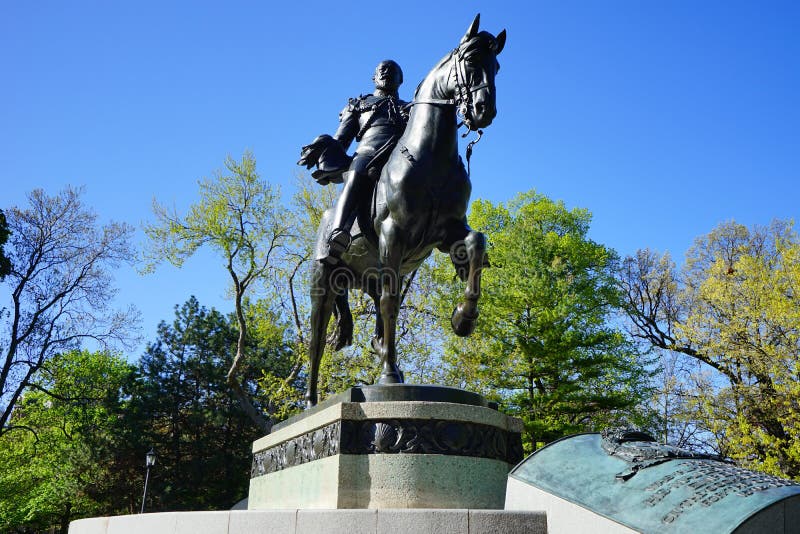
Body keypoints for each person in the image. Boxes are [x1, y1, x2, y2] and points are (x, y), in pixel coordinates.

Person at [299, 60, 408, 264]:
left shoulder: (410, 108)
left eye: (392, 70)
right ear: (374, 78)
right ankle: (339, 231)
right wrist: (323, 144)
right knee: (357, 173)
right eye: (381, 70)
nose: (386, 72)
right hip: (368, 154)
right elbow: (341, 140)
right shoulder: (360, 104)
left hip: (400, 158)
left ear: (401, 79)